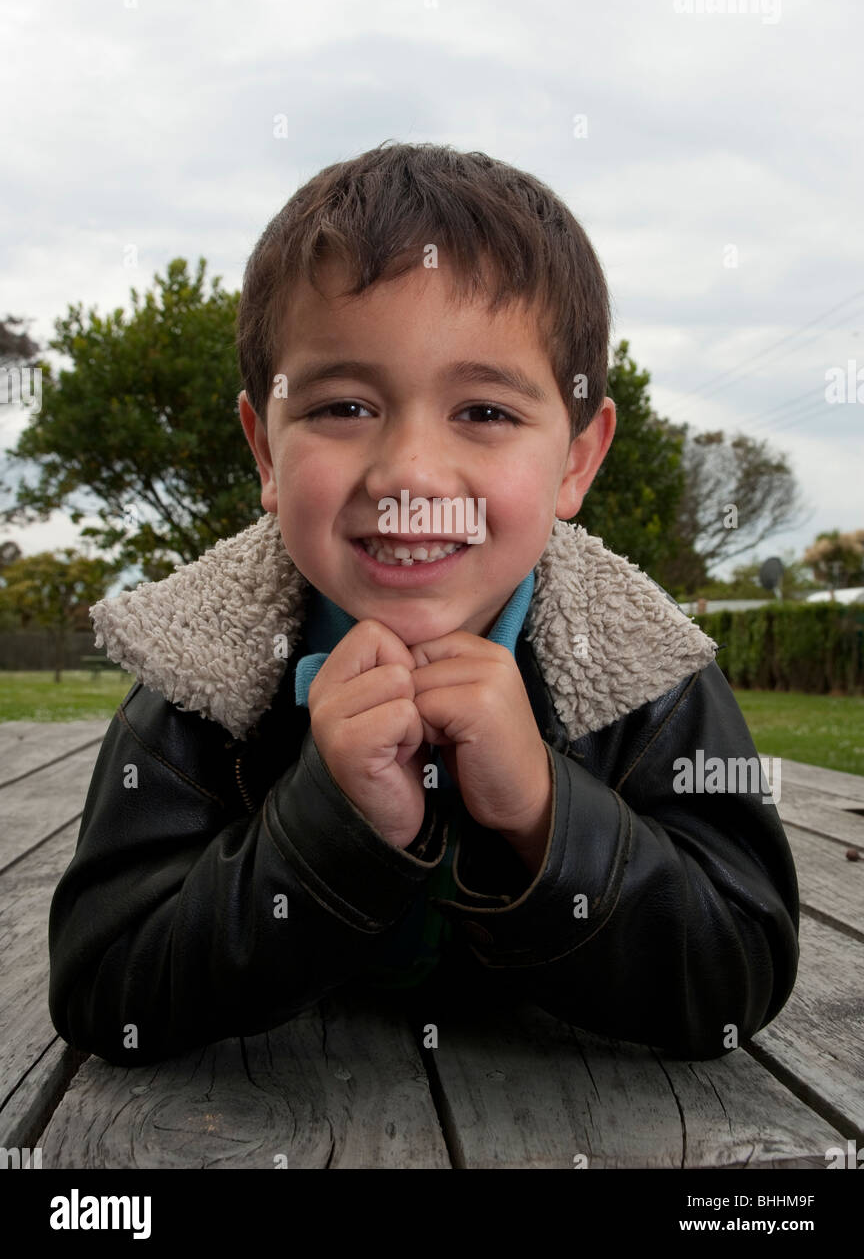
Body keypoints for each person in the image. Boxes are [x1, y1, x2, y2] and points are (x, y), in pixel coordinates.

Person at [48, 140, 799, 1066]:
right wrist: (327, 824)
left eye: (484, 412)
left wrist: (543, 813)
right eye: (343, 409)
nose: (409, 473)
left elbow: (741, 973)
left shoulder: (650, 683)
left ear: (576, 459)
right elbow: (102, 988)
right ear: (265, 452)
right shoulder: (197, 679)